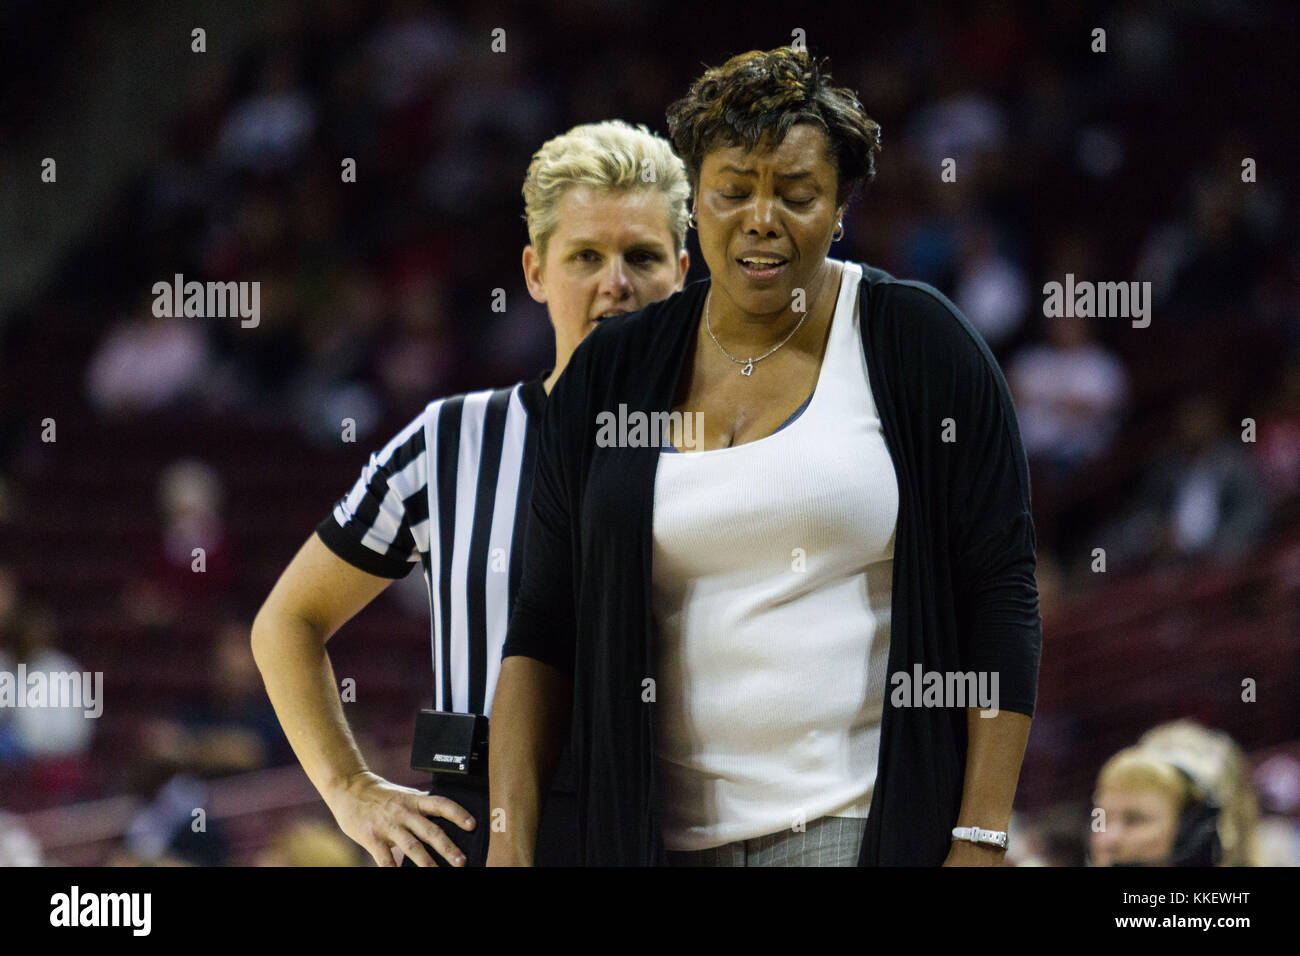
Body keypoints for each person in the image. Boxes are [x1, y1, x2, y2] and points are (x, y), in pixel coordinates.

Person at [488, 47, 1042, 867]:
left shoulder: (918, 343)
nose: (761, 217)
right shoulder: (610, 372)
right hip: (650, 841)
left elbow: (1001, 594)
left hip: (854, 829)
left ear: (840, 208)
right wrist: (509, 845)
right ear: (695, 204)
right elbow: (540, 632)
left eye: (796, 194)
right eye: (733, 190)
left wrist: (982, 835)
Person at [252, 120, 690, 867]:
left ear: (682, 271)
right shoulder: (449, 440)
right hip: (480, 820)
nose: (615, 281)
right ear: (535, 272)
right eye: (585, 256)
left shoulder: (741, 442)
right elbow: (287, 621)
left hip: (677, 817)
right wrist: (350, 789)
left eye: (641, 256)